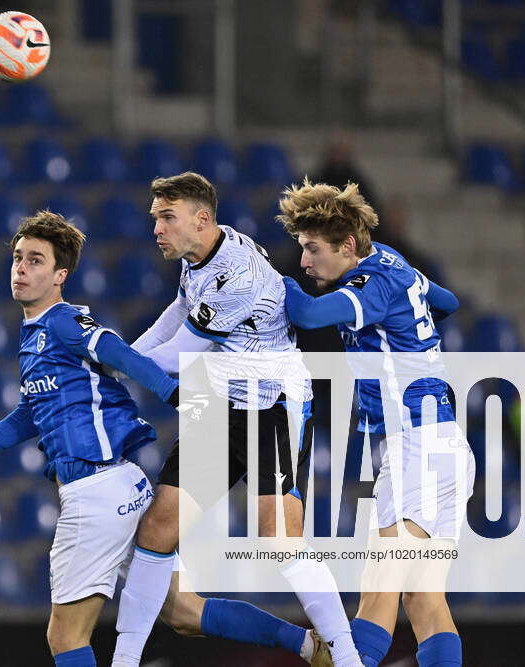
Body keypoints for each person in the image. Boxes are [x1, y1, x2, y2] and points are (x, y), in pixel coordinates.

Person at [111, 172, 362, 667]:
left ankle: (346, 657)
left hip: (274, 407)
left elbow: (178, 354)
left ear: (201, 219)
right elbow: (176, 313)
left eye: (167, 217)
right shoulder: (201, 258)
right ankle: (124, 660)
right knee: (159, 527)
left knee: (281, 541)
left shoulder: (236, 274)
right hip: (224, 403)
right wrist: (121, 356)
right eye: (154, 218)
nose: (156, 229)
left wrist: (107, 359)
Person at [0, 211, 181, 667]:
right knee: (184, 611)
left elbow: (119, 354)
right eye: (17, 258)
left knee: (65, 637)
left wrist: (174, 393)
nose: (21, 268)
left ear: (60, 275)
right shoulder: (33, 335)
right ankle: (308, 645)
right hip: (122, 485)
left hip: (94, 494)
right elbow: (32, 412)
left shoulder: (64, 322)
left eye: (36, 261)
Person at [277, 178, 475, 667]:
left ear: (347, 245)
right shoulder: (391, 261)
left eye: (311, 249)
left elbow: (307, 312)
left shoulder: (372, 282)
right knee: (424, 602)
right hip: (445, 446)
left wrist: (263, 272)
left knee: (377, 597)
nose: (304, 263)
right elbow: (447, 301)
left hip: (416, 448)